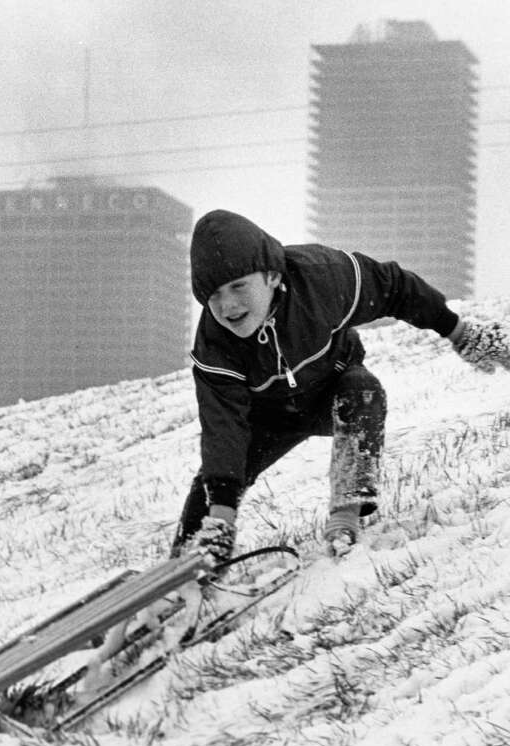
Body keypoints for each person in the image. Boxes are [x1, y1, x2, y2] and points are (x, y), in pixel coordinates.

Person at [172, 209, 510, 563]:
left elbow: (394, 287)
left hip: (331, 390)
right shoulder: (215, 345)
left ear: (272, 275)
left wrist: (461, 333)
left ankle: (345, 519)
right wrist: (221, 518)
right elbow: (223, 429)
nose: (227, 306)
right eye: (213, 296)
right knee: (212, 493)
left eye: (238, 285)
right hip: (267, 418)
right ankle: (186, 569)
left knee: (363, 390)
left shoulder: (321, 279)